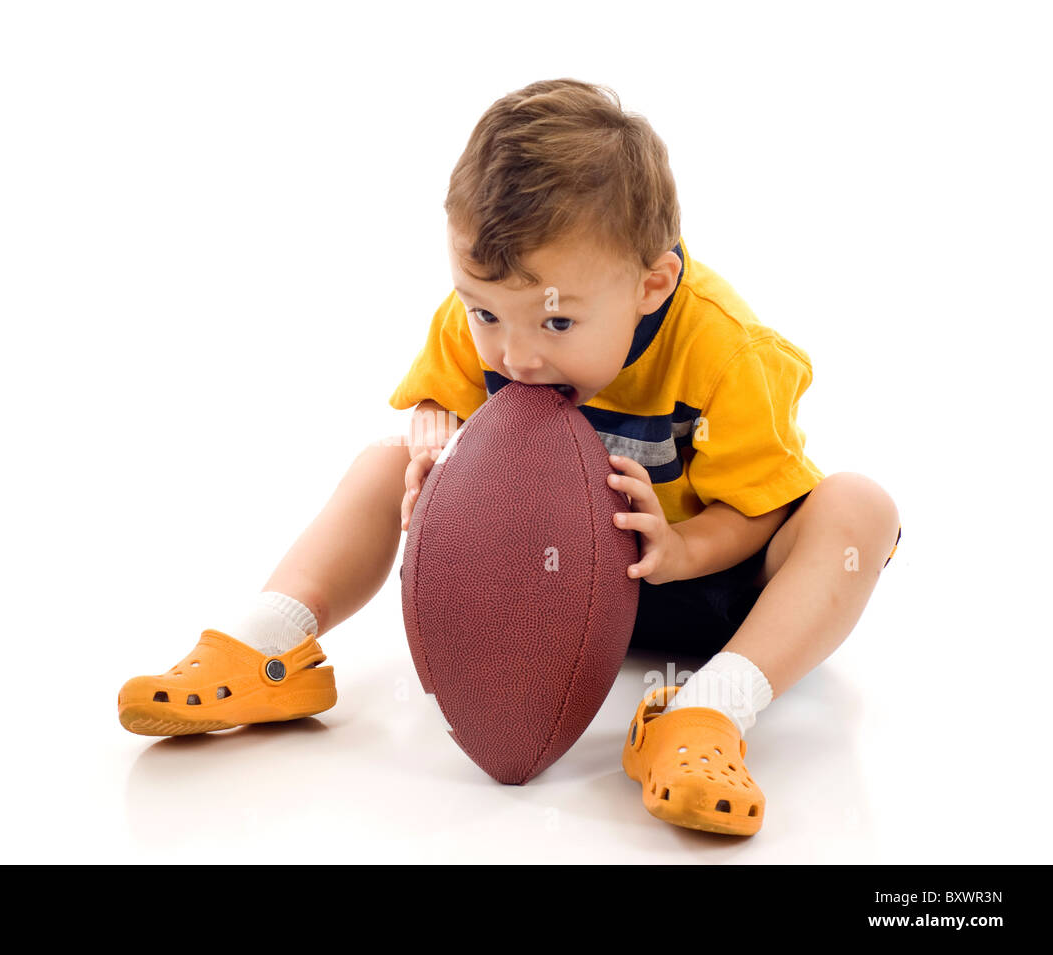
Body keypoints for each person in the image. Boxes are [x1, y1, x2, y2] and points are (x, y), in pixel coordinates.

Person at [116, 78, 902, 837]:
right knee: (383, 457)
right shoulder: (496, 312)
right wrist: (438, 465)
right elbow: (441, 402)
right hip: (547, 585)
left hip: (706, 588)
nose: (515, 353)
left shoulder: (728, 352)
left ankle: (704, 712)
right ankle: (268, 642)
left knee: (858, 508)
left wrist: (683, 545)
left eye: (556, 325)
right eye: (485, 311)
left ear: (653, 284)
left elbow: (760, 505)